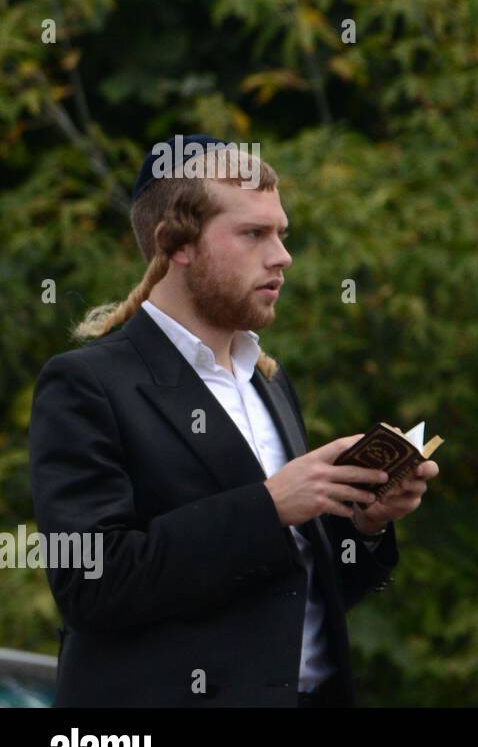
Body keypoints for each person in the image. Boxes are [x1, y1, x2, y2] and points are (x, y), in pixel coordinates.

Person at [29, 135, 438, 707]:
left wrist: (363, 527)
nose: (282, 256)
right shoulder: (86, 383)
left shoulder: (267, 379)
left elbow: (291, 594)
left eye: (281, 234)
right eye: (254, 234)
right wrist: (269, 507)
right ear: (176, 244)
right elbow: (91, 584)